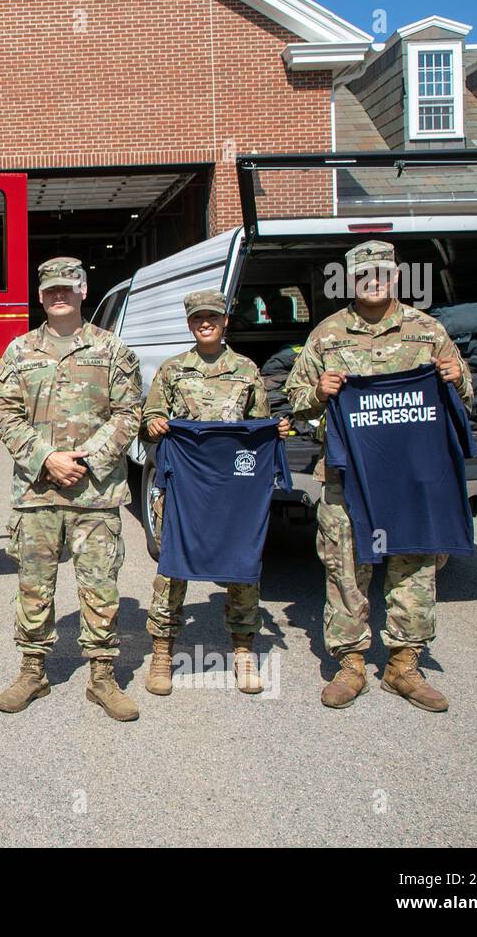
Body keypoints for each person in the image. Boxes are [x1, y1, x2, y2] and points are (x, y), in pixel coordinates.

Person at [284, 240, 472, 712]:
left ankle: (404, 665)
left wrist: (455, 376)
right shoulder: (328, 335)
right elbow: (295, 397)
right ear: (350, 280)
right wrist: (318, 392)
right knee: (345, 568)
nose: (374, 281)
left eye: (382, 273)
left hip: (412, 477)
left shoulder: (427, 331)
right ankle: (350, 664)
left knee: (415, 562)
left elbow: (463, 395)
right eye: (364, 274)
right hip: (346, 476)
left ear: (396, 276)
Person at [0, 257, 143, 722]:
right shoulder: (18, 351)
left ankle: (102, 676)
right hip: (37, 493)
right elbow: (5, 413)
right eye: (51, 289)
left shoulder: (113, 350)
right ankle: (33, 670)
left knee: (99, 586)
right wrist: (46, 459)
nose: (60, 295)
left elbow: (128, 413)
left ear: (82, 291)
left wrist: (86, 461)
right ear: (41, 296)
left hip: (95, 494)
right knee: (34, 587)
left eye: (68, 288)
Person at [141, 289, 290, 697]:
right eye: (196, 319)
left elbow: (257, 424)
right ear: (189, 324)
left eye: (212, 317)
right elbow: (150, 413)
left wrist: (274, 431)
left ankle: (243, 649)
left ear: (225, 321)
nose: (204, 323)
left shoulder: (245, 370)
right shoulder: (173, 370)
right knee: (172, 565)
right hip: (184, 487)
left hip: (231, 489)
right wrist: (153, 423)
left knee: (241, 560)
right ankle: (163, 652)